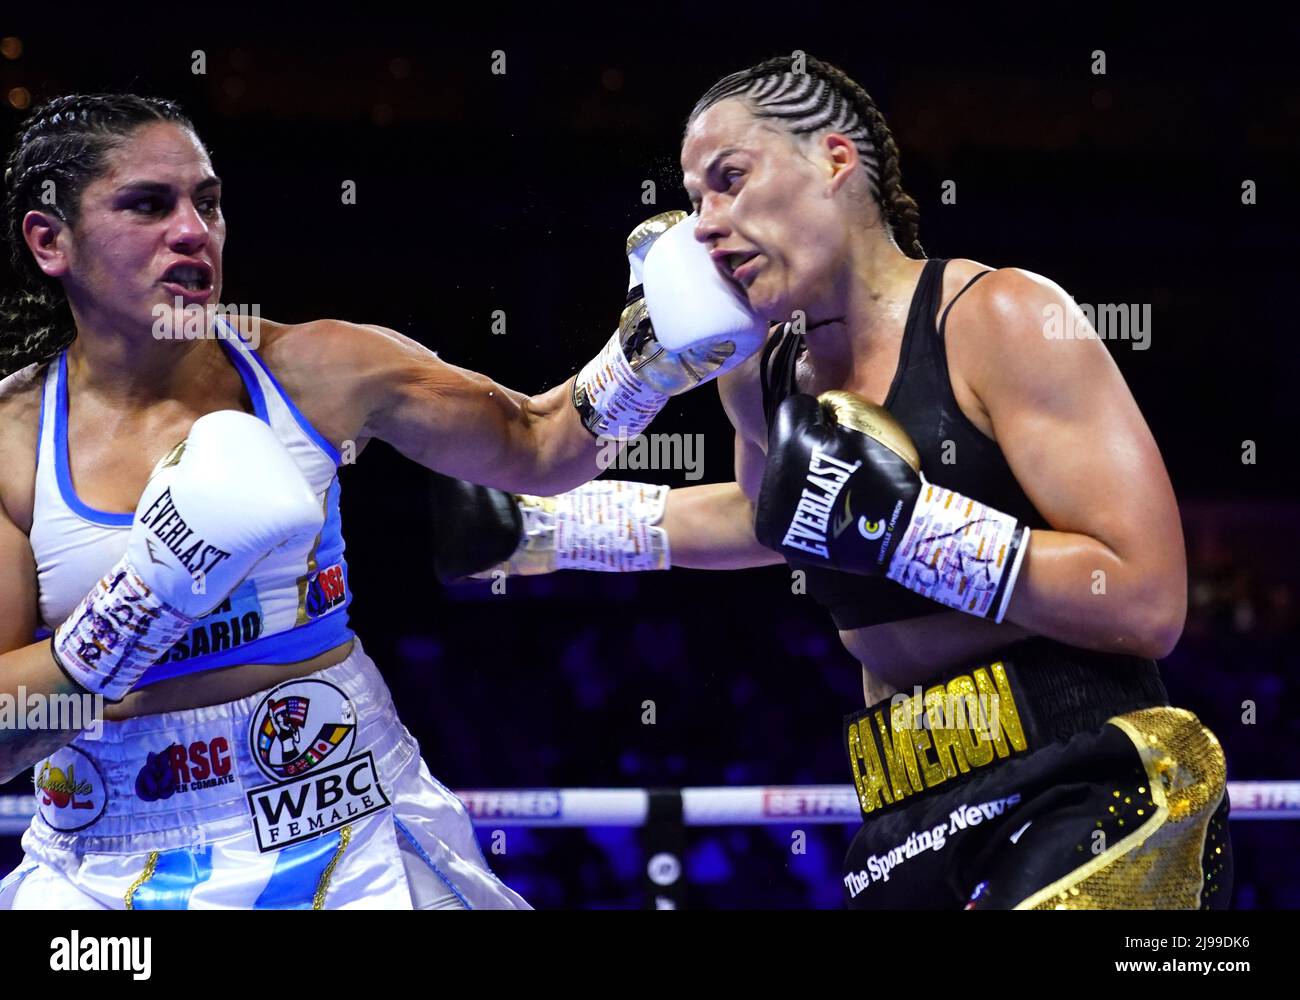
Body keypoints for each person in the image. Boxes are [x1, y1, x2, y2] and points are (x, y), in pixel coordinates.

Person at [434, 55, 1233, 910]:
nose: (704, 224)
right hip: (903, 800)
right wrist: (555, 528)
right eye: (695, 197)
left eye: (729, 180)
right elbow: (779, 513)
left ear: (834, 159)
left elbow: (1147, 601)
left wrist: (909, 530)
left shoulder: (998, 317)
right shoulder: (762, 371)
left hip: (1086, 773)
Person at [0, 93, 763, 909]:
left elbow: (539, 443)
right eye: (148, 205)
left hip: (351, 824)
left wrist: (649, 357)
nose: (192, 231)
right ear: (51, 241)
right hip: (110, 864)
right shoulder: (11, 445)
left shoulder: (316, 368)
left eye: (209, 203)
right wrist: (140, 604)